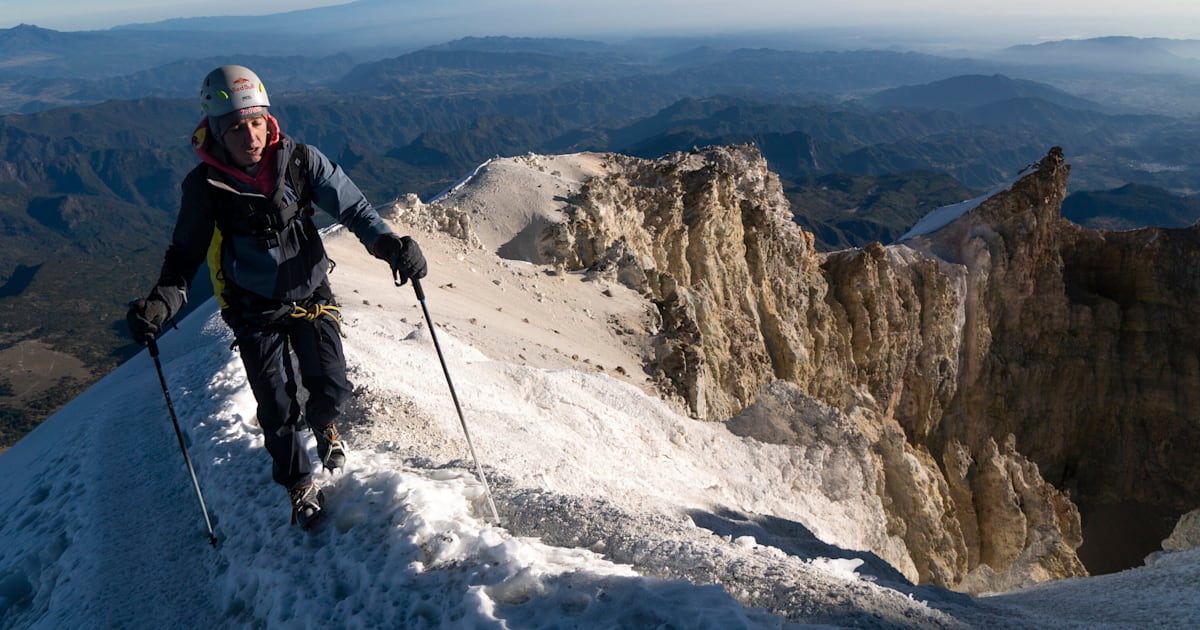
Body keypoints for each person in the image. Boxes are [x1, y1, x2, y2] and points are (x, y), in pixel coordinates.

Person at [127, 65, 427, 530]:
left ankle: (324, 423)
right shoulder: (205, 188)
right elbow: (183, 258)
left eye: (256, 121)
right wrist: (160, 306)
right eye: (236, 126)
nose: (249, 135)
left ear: (269, 119)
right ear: (215, 132)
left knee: (330, 387)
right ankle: (298, 484)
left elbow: (354, 208)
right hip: (252, 305)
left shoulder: (302, 161)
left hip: (311, 290)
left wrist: (390, 245)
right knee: (276, 406)